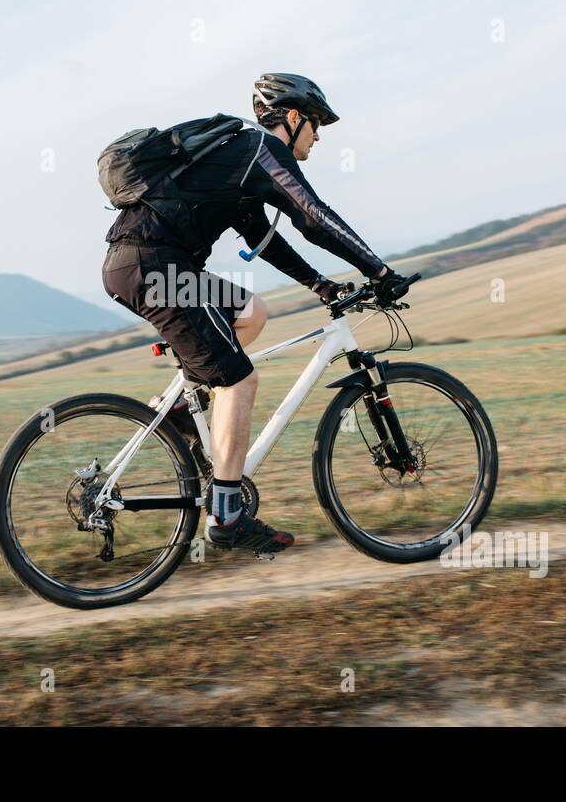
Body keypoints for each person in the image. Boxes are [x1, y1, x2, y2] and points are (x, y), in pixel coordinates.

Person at [101, 73, 404, 554]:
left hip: (143, 265)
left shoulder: (238, 162)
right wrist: (380, 270)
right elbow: (313, 215)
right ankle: (226, 517)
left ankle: (180, 408)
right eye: (317, 123)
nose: (319, 135)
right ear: (292, 117)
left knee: (252, 313)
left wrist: (318, 284)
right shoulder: (261, 150)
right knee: (239, 382)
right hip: (155, 268)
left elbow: (266, 239)